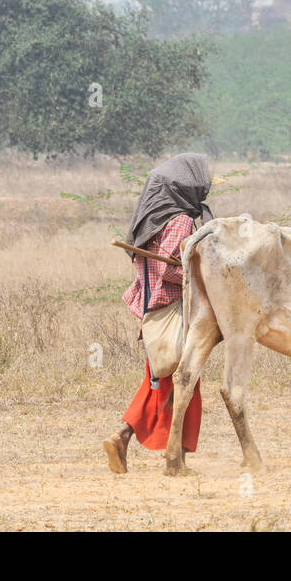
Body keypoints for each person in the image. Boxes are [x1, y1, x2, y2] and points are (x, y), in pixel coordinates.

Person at [103, 153, 215, 474]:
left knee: (158, 383)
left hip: (151, 311)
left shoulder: (152, 217)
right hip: (171, 312)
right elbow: (170, 267)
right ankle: (168, 455)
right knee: (182, 383)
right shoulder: (178, 219)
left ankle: (128, 442)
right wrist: (198, 272)